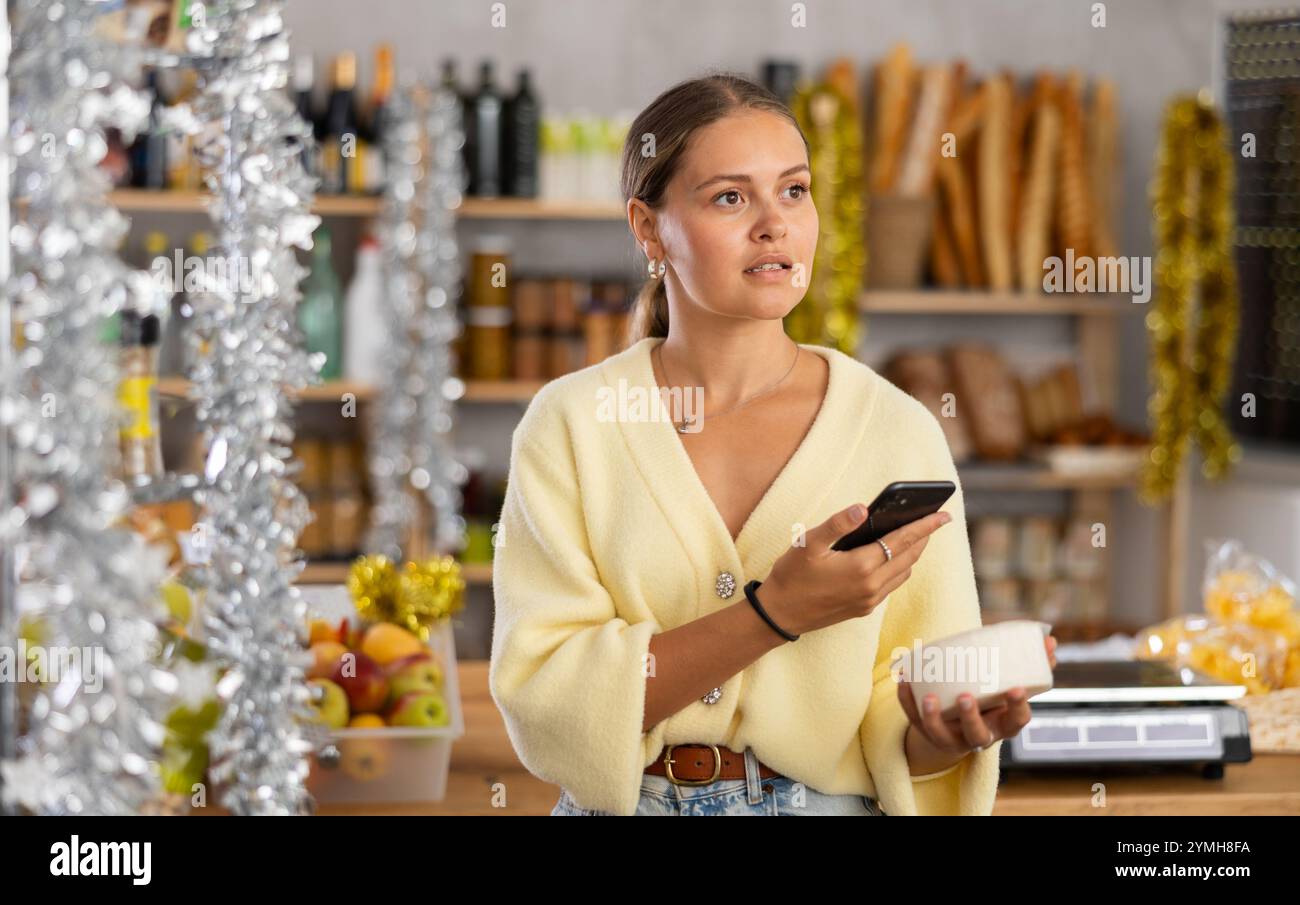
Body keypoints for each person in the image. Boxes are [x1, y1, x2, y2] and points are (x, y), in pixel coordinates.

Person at [489, 73, 1057, 816]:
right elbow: (547, 694)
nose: (775, 225)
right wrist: (773, 612)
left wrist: (947, 733)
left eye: (794, 190)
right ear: (649, 228)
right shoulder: (572, 424)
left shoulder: (896, 427)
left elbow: (897, 709)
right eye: (730, 197)